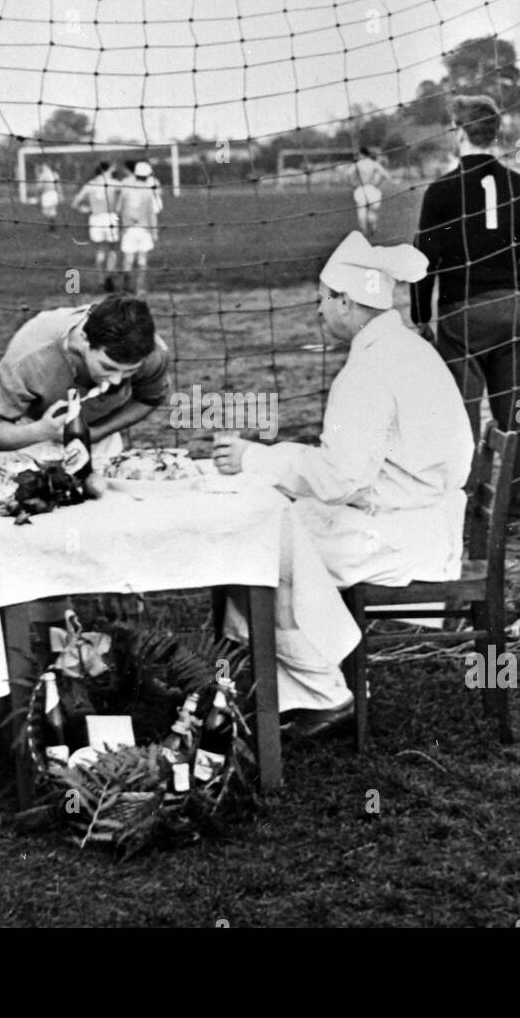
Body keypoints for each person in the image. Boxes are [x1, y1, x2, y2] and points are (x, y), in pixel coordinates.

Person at [213, 231, 472, 739]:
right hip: (413, 517)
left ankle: (325, 693)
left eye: (322, 300)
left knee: (259, 549)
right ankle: (298, 679)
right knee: (280, 530)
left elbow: (337, 478)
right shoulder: (406, 347)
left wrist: (257, 459)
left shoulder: (370, 368)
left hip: (399, 535)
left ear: (348, 302)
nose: (317, 312)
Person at [410, 94, 520, 525]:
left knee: (462, 416)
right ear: (496, 133)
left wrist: (421, 318)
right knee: (515, 413)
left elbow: (424, 261)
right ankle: (511, 510)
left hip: (462, 319)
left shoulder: (441, 190)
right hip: (513, 314)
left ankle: (464, 508)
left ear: (459, 132)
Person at [0, 292, 169, 460]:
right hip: (31, 434)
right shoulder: (31, 353)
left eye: (129, 371)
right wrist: (40, 431)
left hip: (98, 433)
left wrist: (97, 433)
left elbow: (149, 399)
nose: (117, 380)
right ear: (84, 340)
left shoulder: (151, 353)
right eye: (107, 367)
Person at [71, 161, 120, 290]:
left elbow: (75, 202)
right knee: (112, 249)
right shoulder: (113, 183)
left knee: (100, 249)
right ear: (106, 170)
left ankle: (101, 279)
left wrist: (85, 209)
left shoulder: (90, 185)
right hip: (110, 217)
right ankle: (110, 274)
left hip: (95, 218)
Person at [116, 161, 163, 294]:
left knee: (128, 259)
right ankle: (139, 287)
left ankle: (126, 287)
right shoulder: (149, 192)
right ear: (147, 176)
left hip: (128, 229)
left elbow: (118, 209)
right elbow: (152, 214)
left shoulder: (125, 190)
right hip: (144, 229)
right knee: (142, 260)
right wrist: (155, 232)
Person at [351, 147, 389, 239]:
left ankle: (364, 232)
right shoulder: (374, 164)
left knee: (361, 210)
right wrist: (378, 185)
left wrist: (353, 184)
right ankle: (373, 228)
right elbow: (386, 175)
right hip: (372, 189)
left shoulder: (358, 164)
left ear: (362, 154)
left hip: (361, 188)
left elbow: (347, 174)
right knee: (371, 211)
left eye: (359, 154)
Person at [35, 159, 61, 233]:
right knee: (52, 210)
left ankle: (51, 225)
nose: (42, 167)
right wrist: (60, 195)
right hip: (54, 194)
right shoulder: (55, 174)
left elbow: (39, 187)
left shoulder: (43, 175)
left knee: (46, 211)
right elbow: (58, 186)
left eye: (43, 166)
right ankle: (52, 224)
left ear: (46, 166)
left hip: (47, 194)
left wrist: (37, 194)